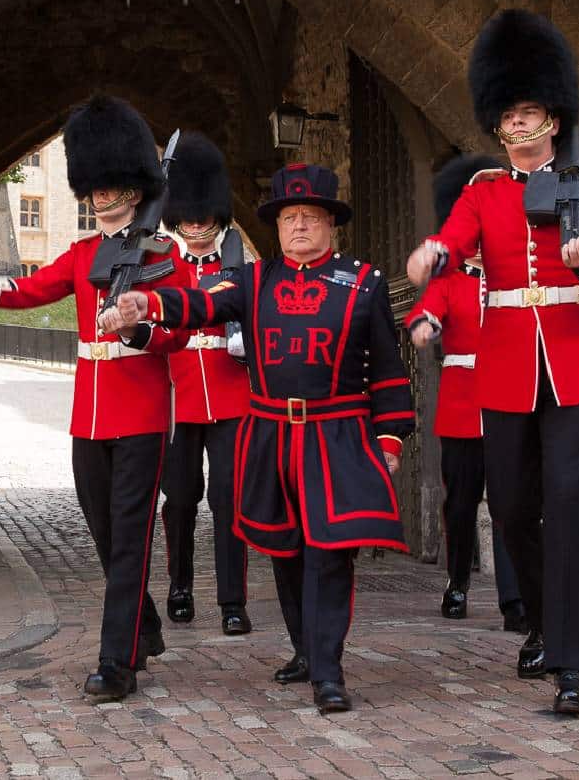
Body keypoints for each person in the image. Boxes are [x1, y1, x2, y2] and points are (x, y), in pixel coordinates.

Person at [100, 163, 414, 715]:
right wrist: (146, 305)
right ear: (276, 225)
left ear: (330, 225)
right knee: (287, 550)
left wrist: (388, 441)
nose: (298, 227)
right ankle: (305, 650)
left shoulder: (362, 282)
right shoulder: (253, 280)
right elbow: (199, 305)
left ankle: (329, 670)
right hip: (271, 434)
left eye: (310, 217)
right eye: (289, 217)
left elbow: (387, 369)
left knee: (330, 554)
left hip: (336, 434)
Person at [405, 10, 579, 715]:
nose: (516, 125)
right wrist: (434, 254)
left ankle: (573, 663)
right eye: (506, 116)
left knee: (569, 508)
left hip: (578, 365)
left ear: (553, 119)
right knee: (508, 508)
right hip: (507, 366)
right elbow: (454, 235)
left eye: (528, 112)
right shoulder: (484, 192)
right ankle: (540, 620)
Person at [0, 95, 188, 701]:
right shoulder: (81, 256)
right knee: (105, 535)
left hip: (143, 415)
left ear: (133, 186)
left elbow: (180, 328)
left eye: (112, 186)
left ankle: (116, 662)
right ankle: (144, 625)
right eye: (95, 189)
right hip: (90, 417)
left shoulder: (166, 255)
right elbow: (32, 289)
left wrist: (139, 322)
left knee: (130, 537)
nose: (101, 198)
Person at [406, 154, 527, 633]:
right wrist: (424, 326)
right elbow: (429, 309)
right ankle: (457, 580)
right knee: (460, 502)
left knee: (508, 500)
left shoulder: (513, 271)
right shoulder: (450, 278)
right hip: (461, 405)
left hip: (508, 395)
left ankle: (514, 597)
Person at [158, 132, 252, 636]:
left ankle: (232, 600)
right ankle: (180, 587)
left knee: (229, 500)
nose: (195, 227)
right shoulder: (162, 268)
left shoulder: (238, 268)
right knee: (179, 500)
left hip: (231, 395)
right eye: (188, 219)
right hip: (177, 396)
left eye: (203, 219)